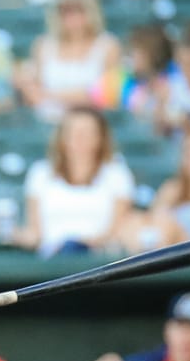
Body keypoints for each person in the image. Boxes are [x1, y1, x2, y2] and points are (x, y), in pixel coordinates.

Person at [16, 106, 134, 257]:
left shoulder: (116, 173)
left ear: (100, 137)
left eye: (87, 132)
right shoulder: (40, 172)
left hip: (98, 258)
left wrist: (89, 243)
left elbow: (118, 226)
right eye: (73, 131)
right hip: (52, 258)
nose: (79, 138)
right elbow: (35, 230)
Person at [17, 0, 122, 122]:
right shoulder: (43, 45)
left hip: (92, 122)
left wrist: (49, 96)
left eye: (78, 11)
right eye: (65, 12)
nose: (71, 18)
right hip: (47, 121)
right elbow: (33, 91)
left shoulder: (108, 45)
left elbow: (107, 94)